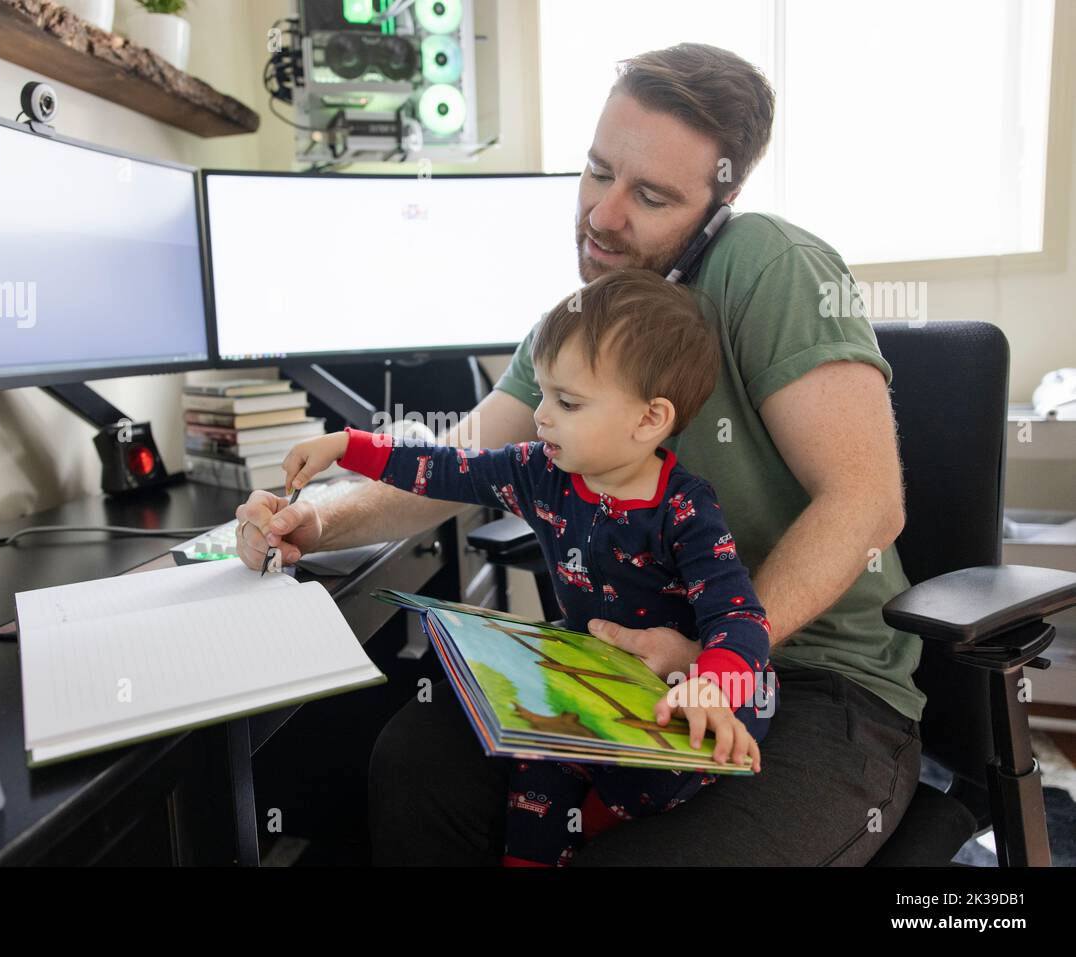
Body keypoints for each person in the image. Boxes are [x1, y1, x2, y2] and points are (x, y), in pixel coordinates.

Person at [235, 42, 922, 866]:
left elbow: (867, 499)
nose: (602, 216)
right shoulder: (588, 322)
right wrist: (309, 519)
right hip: (624, 665)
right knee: (415, 759)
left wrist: (715, 658)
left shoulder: (766, 265)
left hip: (811, 682)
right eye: (598, 173)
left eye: (651, 196)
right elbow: (455, 464)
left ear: (722, 199)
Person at [282, 270, 777, 866]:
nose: (540, 416)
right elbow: (442, 467)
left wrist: (711, 681)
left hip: (683, 689)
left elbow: (741, 617)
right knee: (533, 781)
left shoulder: (686, 509)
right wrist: (348, 446)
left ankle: (604, 817)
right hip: (584, 673)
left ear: (648, 420)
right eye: (541, 392)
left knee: (658, 778)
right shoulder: (535, 471)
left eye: (566, 402)